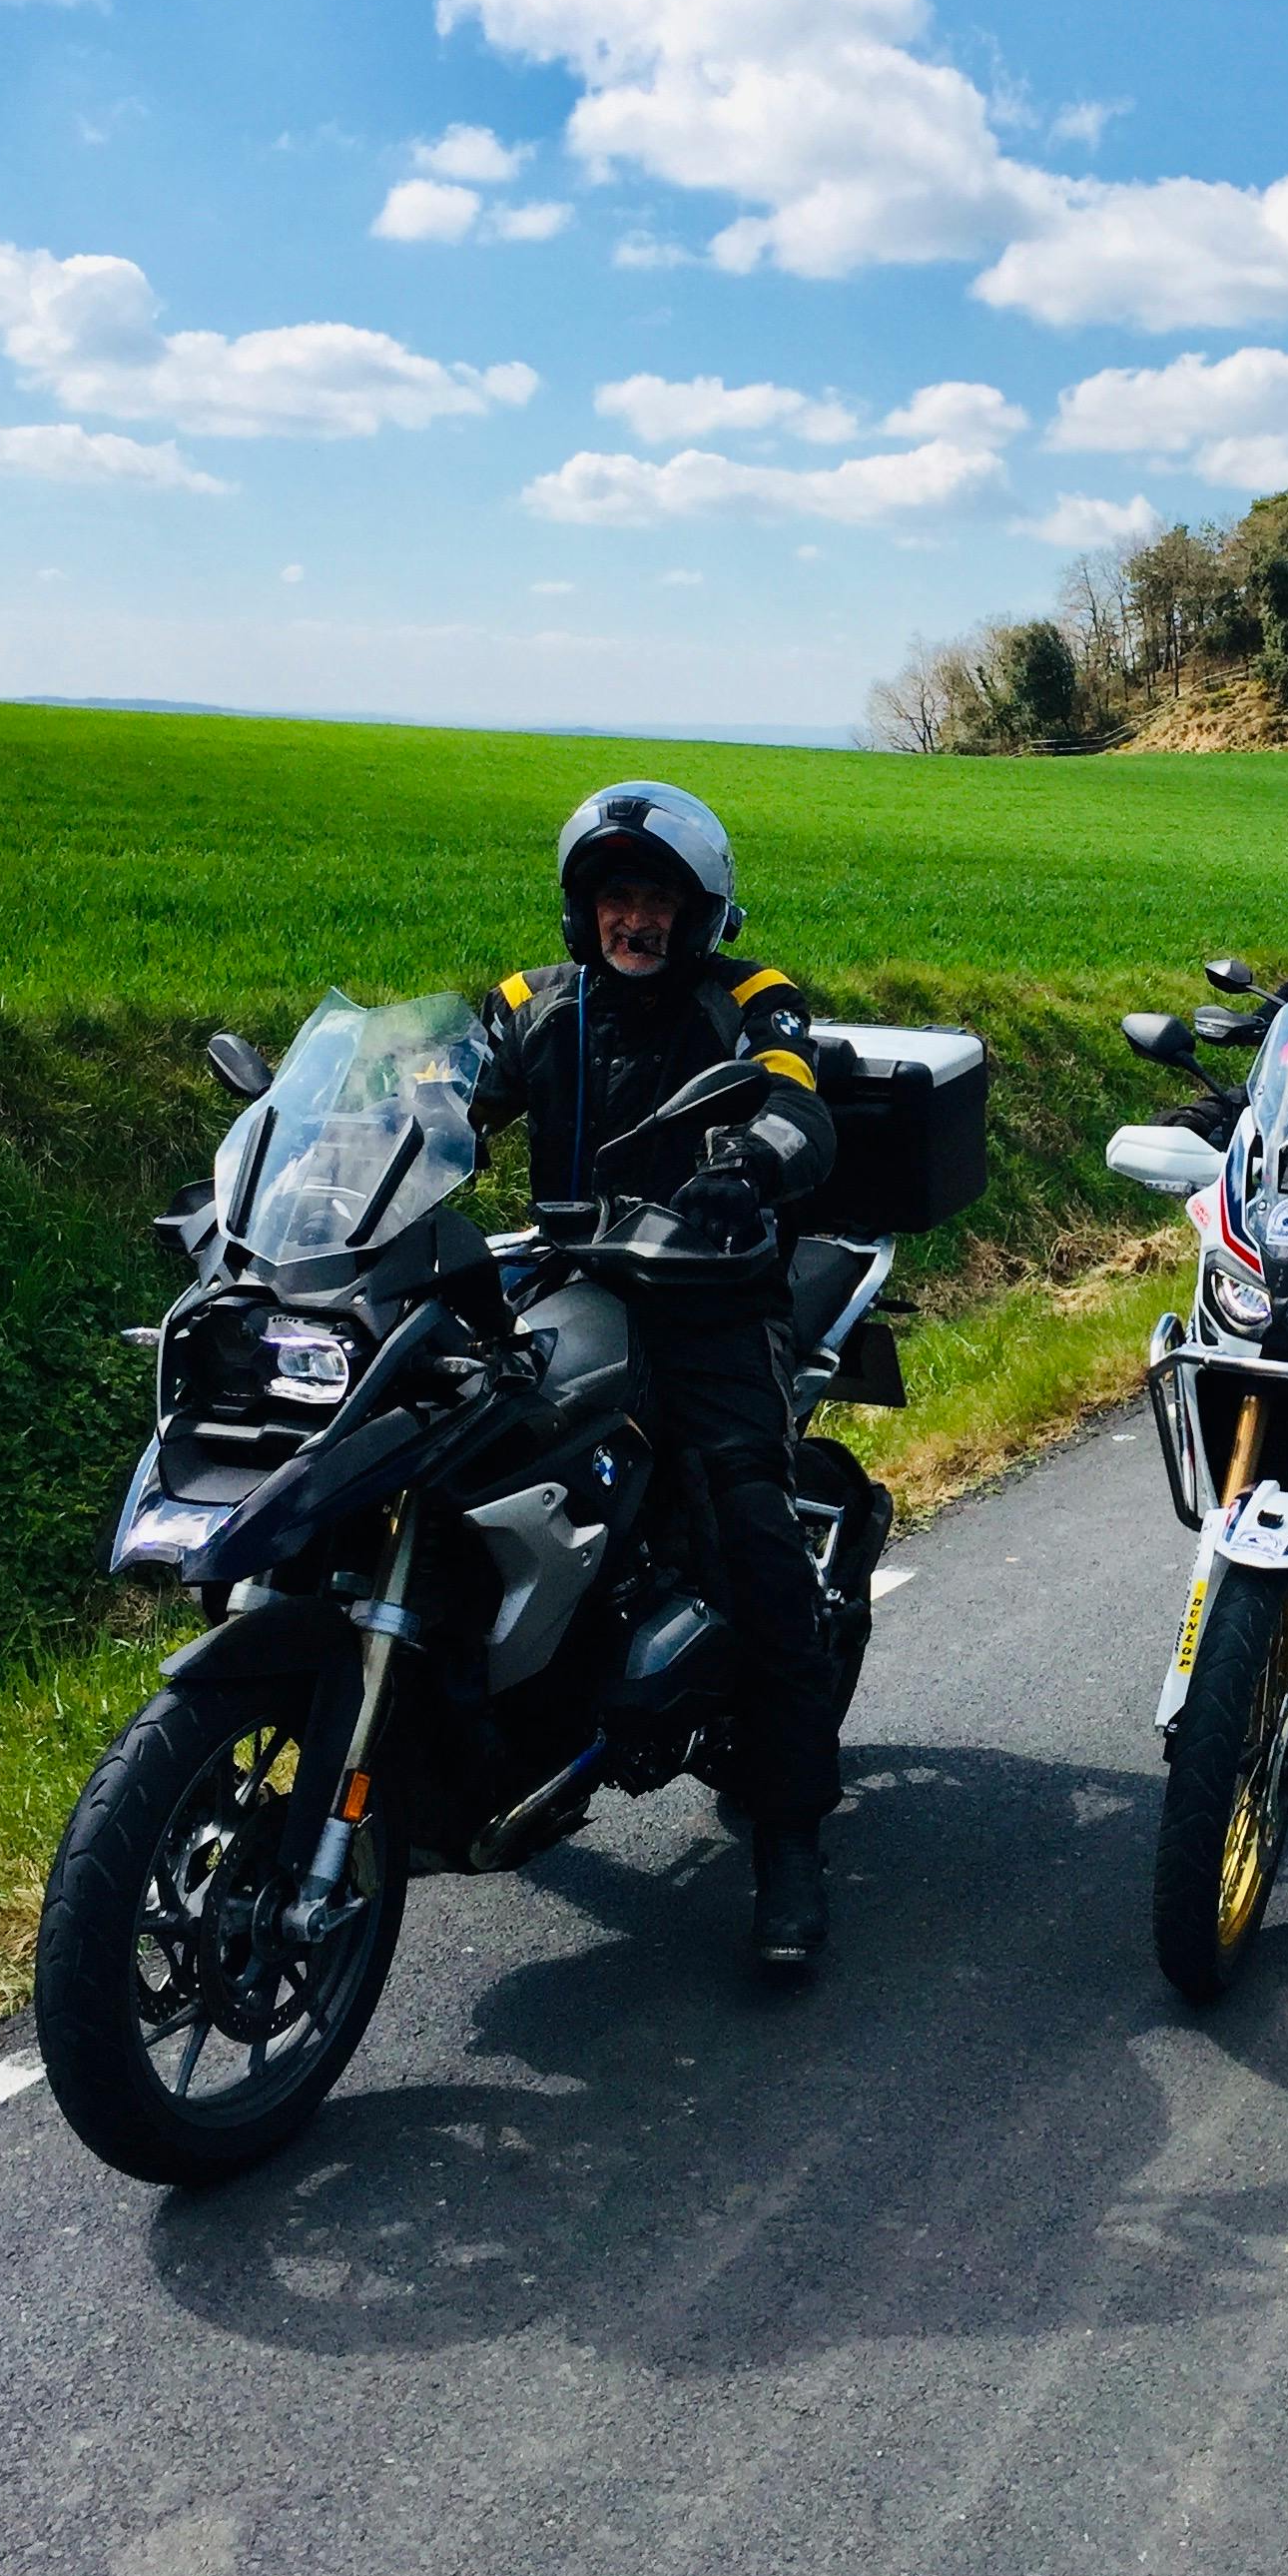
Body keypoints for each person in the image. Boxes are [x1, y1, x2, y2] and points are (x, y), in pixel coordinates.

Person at [473, 780, 846, 1963]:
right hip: (561, 1285)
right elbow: (444, 1097)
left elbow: (798, 1102)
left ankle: (788, 1843)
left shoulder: (749, 1000)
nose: (636, 920)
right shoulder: (536, 1004)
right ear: (585, 911)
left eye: (658, 901)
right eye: (614, 897)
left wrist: (752, 1166)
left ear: (702, 914)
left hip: (713, 1300)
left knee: (753, 1534)